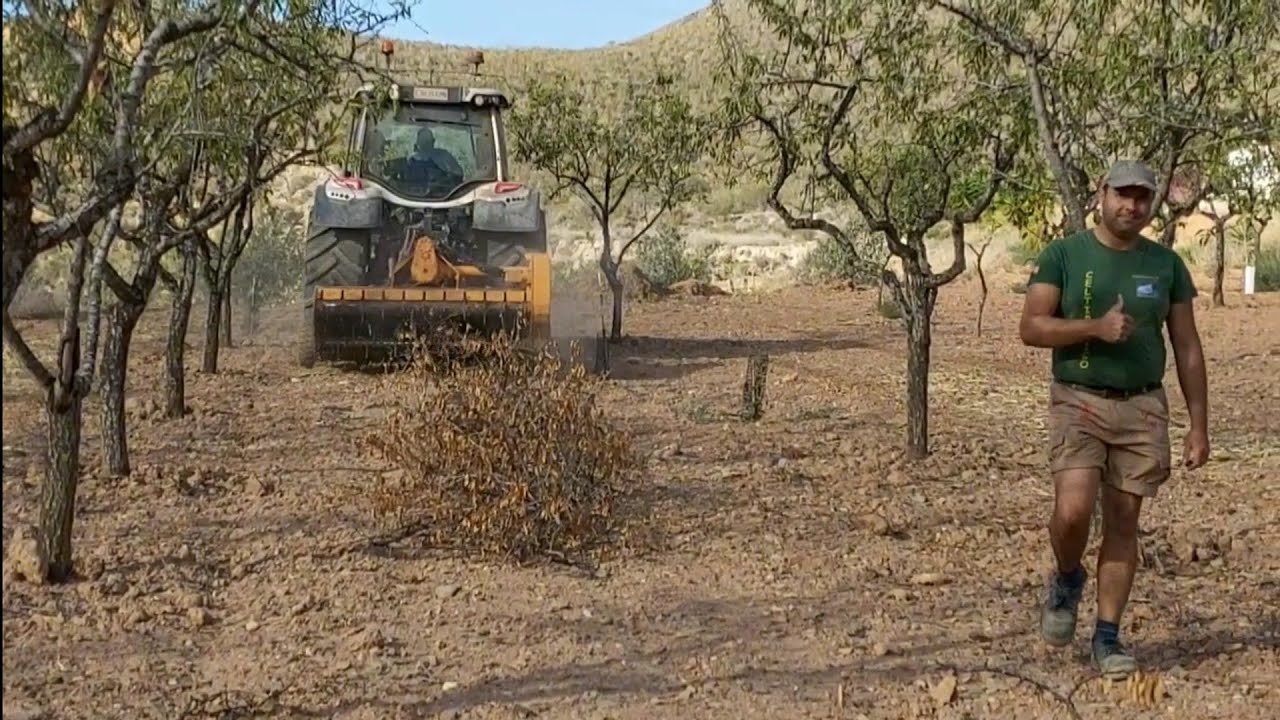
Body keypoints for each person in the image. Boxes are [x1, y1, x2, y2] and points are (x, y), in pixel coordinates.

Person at [1018, 159, 1210, 679]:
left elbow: (1187, 346)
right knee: (1074, 511)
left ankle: (1107, 635)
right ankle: (1065, 576)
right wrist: (1096, 329)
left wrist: (1198, 423)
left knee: (1124, 524)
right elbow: (1032, 327)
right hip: (1078, 399)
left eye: (1142, 198)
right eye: (1122, 194)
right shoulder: (1064, 254)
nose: (1132, 206)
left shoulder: (1167, 265)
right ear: (1101, 194)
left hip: (1143, 407)